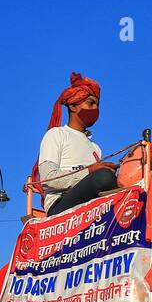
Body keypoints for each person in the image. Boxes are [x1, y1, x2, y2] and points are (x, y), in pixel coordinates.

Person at [36, 72, 117, 216]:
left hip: (89, 201)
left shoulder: (95, 147)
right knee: (104, 177)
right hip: (60, 203)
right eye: (90, 103)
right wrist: (89, 171)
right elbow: (48, 178)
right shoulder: (56, 134)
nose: (95, 109)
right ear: (73, 106)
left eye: (97, 105)